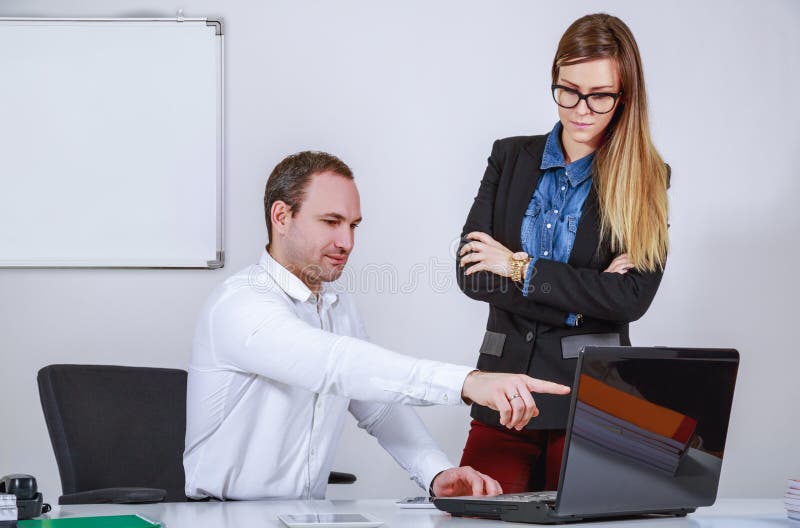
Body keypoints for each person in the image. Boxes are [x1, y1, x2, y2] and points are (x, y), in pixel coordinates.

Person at [183, 151, 571, 500]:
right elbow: (338, 366)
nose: (347, 241)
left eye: (353, 225)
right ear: (281, 217)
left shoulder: (337, 307)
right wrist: (469, 382)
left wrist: (435, 472)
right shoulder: (241, 305)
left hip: (303, 515)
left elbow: (378, 409)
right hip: (223, 516)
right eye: (331, 222)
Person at [456, 13, 670, 494]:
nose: (580, 108)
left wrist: (517, 266)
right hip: (503, 392)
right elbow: (472, 274)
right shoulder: (509, 157)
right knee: (477, 513)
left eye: (600, 95)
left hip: (592, 400)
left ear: (625, 96)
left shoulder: (648, 177)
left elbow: (631, 299)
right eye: (568, 90)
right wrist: (586, 296)